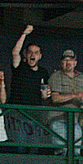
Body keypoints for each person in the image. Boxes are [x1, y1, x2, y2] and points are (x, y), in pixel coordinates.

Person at [8, 25, 50, 153]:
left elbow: (44, 95)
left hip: (35, 114)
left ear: (40, 56)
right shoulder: (20, 67)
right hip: (18, 114)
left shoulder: (43, 72)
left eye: (36, 53)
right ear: (25, 54)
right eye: (30, 52)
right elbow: (15, 53)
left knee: (34, 148)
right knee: (20, 147)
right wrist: (24, 34)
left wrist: (45, 95)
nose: (33, 55)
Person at [49, 50, 83, 151]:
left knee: (76, 152)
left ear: (75, 63)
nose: (68, 63)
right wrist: (75, 95)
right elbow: (55, 98)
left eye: (71, 60)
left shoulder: (81, 77)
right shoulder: (56, 76)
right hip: (59, 120)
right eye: (65, 60)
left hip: (76, 121)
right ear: (61, 63)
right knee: (62, 152)